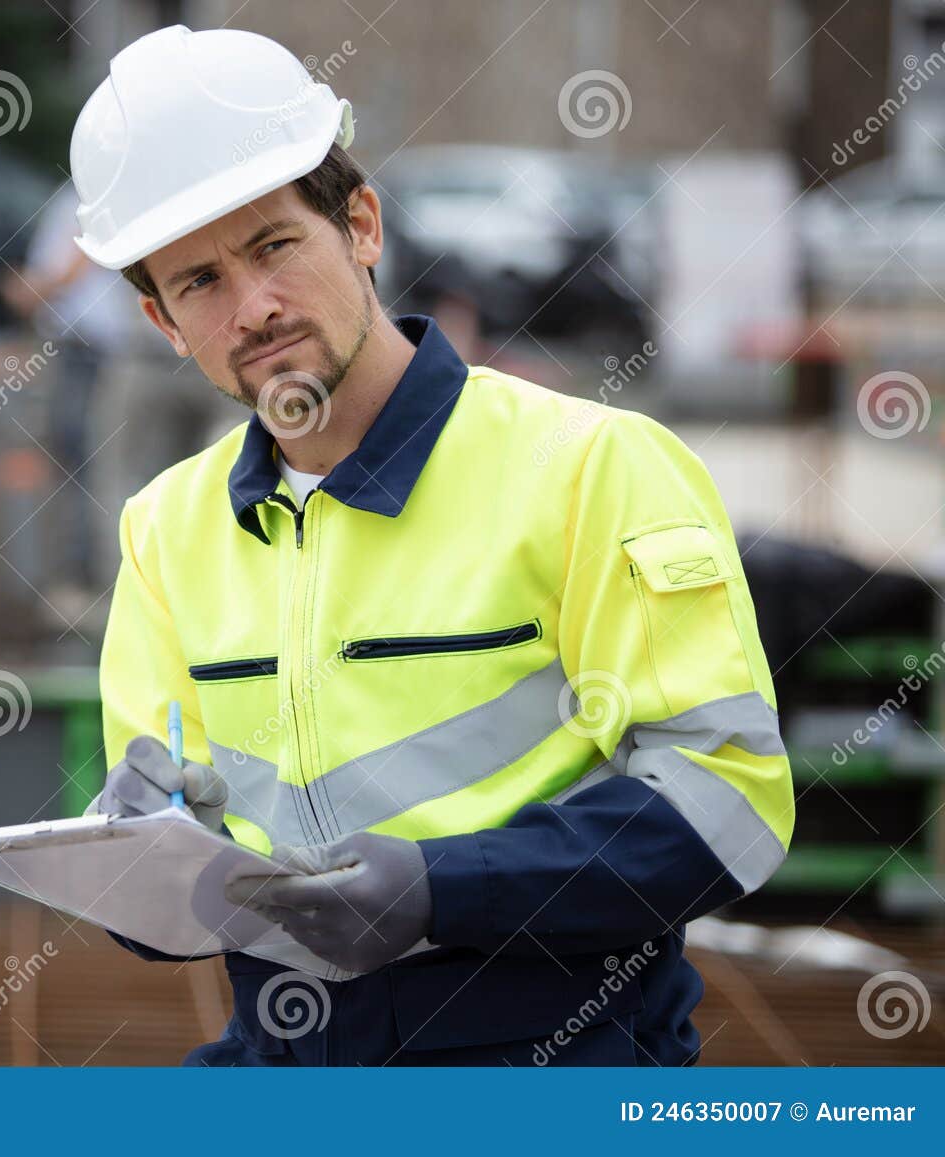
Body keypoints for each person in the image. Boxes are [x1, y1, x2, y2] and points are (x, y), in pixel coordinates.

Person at [75, 26, 794, 1066]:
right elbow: (165, 911)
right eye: (199, 283)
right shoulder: (164, 528)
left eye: (275, 245)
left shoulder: (592, 467)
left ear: (360, 225)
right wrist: (133, 857)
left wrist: (438, 890)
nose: (255, 307)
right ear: (162, 323)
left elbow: (728, 804)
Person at [0, 184, 134, 624]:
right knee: (78, 463)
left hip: (89, 349)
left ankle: (90, 581)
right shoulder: (73, 195)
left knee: (86, 463)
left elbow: (75, 266)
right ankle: (84, 578)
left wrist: (30, 290)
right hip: (72, 345)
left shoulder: (101, 195)